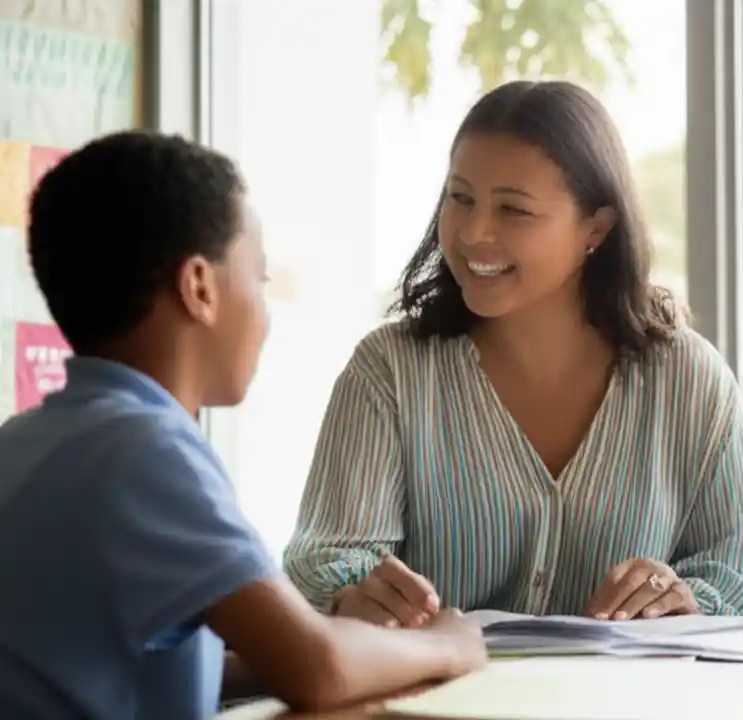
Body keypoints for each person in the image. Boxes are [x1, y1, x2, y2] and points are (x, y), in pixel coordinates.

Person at [0, 131, 485, 720]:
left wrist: (339, 637)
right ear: (199, 287)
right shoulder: (147, 452)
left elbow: (152, 660)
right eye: (259, 279)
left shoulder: (24, 442)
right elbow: (319, 670)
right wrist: (448, 645)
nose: (265, 313)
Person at [283, 80, 743, 624]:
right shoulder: (389, 371)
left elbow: (741, 573)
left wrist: (682, 598)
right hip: (439, 681)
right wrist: (353, 596)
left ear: (596, 227)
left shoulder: (690, 379)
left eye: (513, 210)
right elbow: (327, 558)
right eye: (460, 198)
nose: (473, 233)